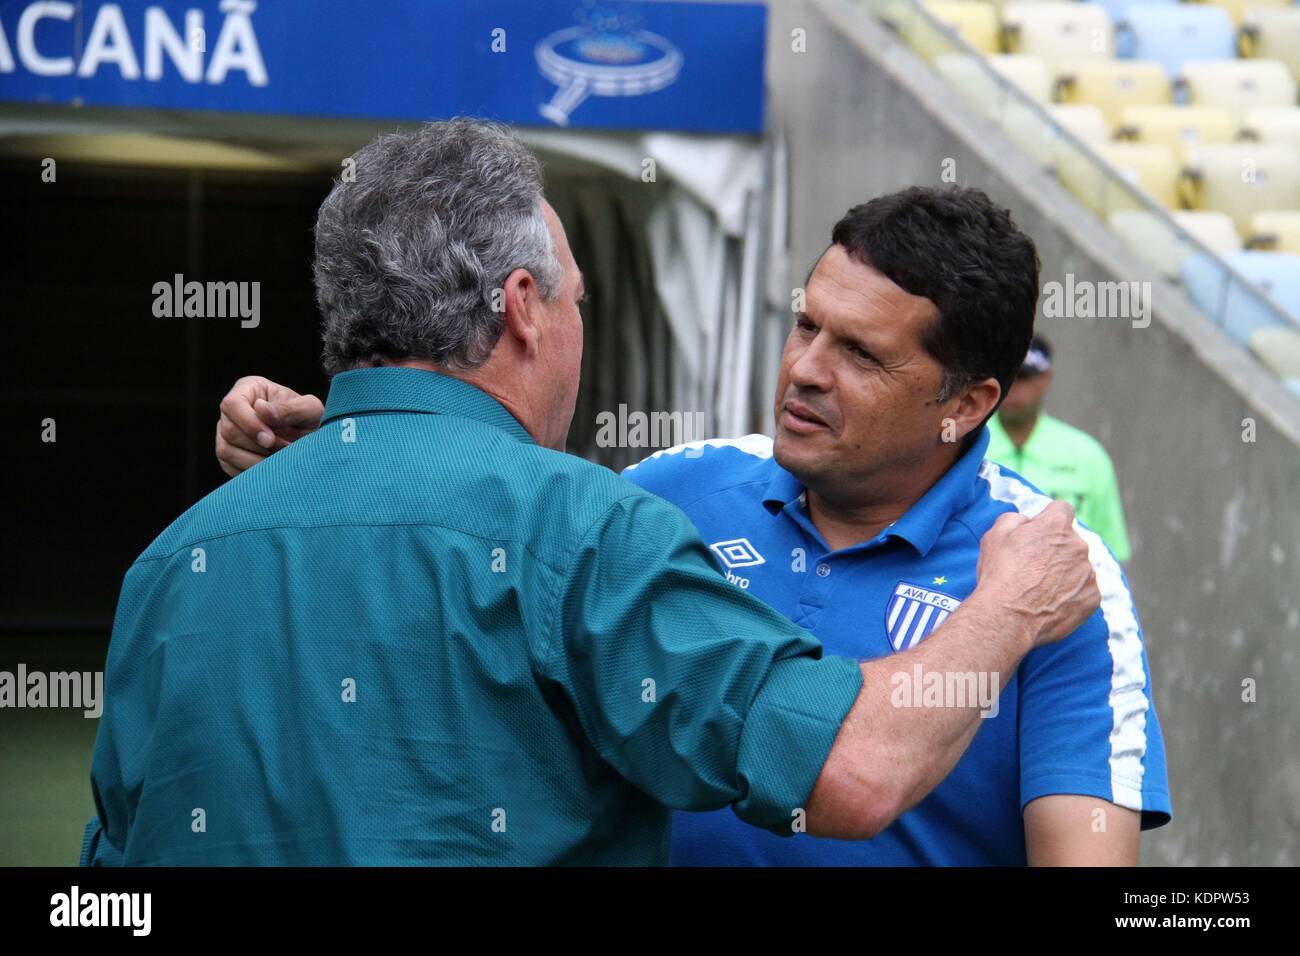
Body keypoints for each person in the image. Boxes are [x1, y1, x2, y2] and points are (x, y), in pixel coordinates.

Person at [86, 121, 1099, 866]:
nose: (806, 369)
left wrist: (342, 466)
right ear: (523, 309)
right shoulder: (590, 527)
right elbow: (850, 769)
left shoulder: (175, 561)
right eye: (579, 296)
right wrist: (1008, 608)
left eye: (859, 350)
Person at [986, 335, 1132, 562]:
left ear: (1046, 378)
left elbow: (1109, 554)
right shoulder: (964, 444)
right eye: (1007, 375)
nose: (1012, 387)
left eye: (1023, 377)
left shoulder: (1086, 456)